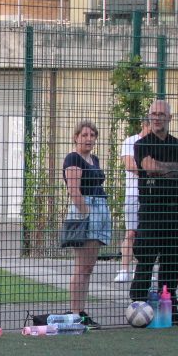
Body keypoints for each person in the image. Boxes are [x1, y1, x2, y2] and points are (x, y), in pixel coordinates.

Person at [131, 99, 178, 319]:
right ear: (149, 117)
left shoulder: (175, 144)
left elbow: (155, 168)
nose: (157, 117)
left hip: (172, 212)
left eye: (162, 114)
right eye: (154, 114)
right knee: (146, 257)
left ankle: (168, 305)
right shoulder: (142, 144)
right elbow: (148, 166)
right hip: (150, 212)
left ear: (169, 118)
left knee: (171, 260)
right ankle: (138, 305)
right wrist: (171, 169)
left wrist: (161, 169)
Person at [60, 120, 109, 329]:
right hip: (86, 213)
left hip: (100, 211)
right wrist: (87, 214)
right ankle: (74, 313)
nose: (89, 139)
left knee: (88, 267)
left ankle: (81, 311)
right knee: (81, 267)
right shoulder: (73, 158)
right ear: (76, 137)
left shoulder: (94, 159)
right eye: (85, 135)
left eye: (92, 135)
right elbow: (74, 191)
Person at [116, 119, 148, 283]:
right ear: (144, 124)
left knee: (147, 234)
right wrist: (151, 170)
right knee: (131, 232)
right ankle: (124, 269)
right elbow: (129, 165)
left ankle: (140, 270)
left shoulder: (155, 144)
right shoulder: (131, 141)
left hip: (150, 195)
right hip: (133, 194)